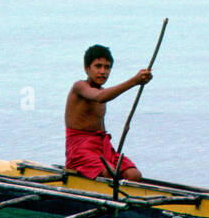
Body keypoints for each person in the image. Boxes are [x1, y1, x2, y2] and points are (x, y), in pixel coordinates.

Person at [64, 44, 152, 180]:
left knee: (134, 175)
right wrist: (134, 81)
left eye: (107, 67)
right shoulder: (80, 87)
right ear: (87, 68)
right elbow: (100, 97)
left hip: (101, 146)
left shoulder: (103, 91)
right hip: (81, 149)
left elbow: (103, 95)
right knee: (110, 173)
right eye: (98, 66)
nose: (103, 71)